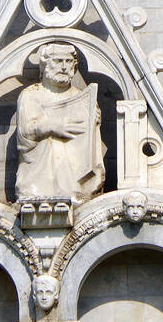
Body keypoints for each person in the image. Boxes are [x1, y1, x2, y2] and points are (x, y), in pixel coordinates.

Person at [14, 44, 104, 203]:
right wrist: (52, 127)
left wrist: (94, 123)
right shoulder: (32, 94)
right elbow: (25, 134)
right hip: (39, 169)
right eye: (58, 61)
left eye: (69, 61)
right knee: (52, 142)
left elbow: (89, 144)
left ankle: (78, 188)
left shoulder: (82, 97)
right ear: (45, 65)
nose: (64, 67)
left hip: (76, 170)